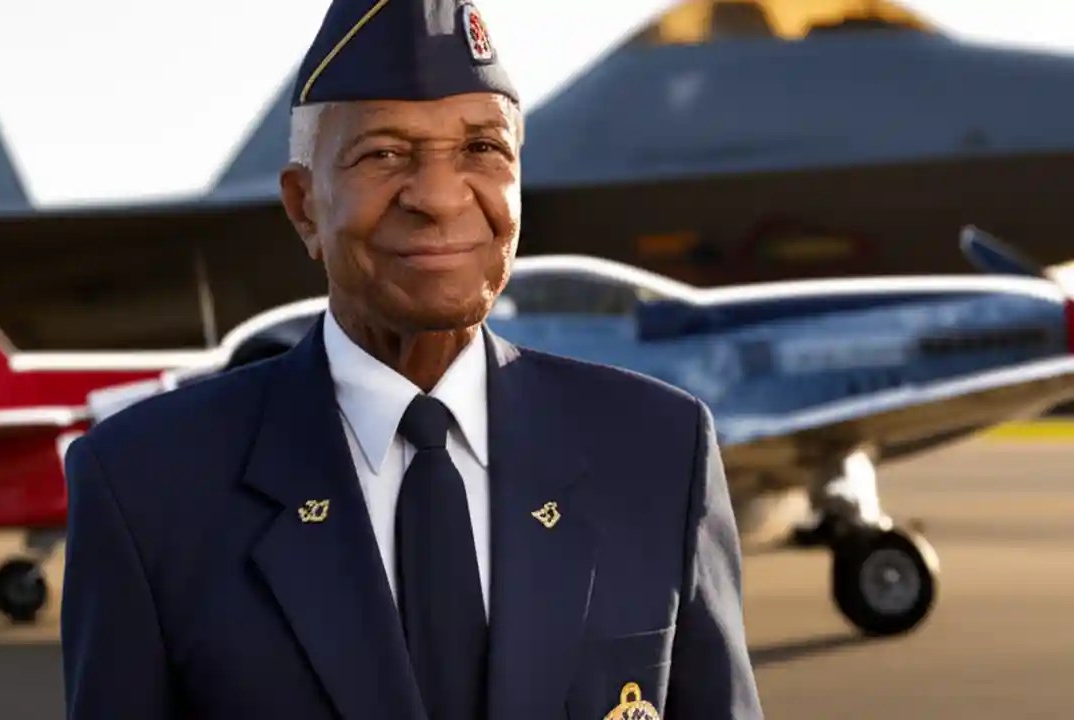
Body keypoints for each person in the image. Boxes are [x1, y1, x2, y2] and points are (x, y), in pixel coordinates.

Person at [59, 0, 764, 718]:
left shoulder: (657, 452)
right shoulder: (146, 487)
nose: (437, 197)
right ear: (304, 206)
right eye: (384, 153)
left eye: (482, 150)